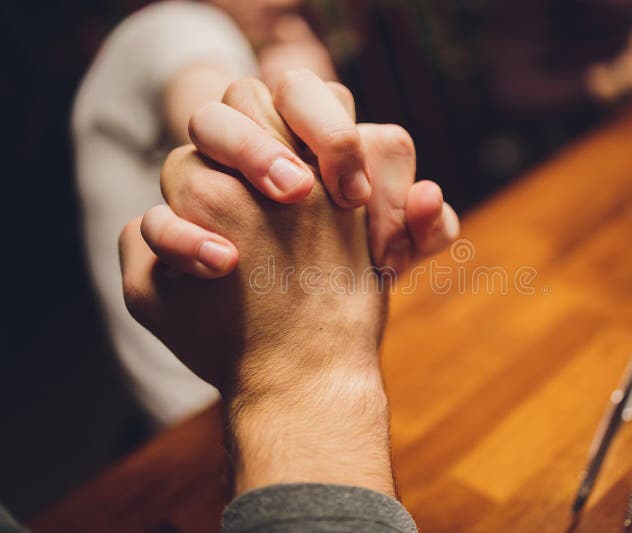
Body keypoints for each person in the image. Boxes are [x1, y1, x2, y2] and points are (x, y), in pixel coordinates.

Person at [72, 0, 456, 425]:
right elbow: (212, 109)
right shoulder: (175, 25)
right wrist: (301, 118)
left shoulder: (234, 44)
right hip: (202, 415)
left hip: (253, 394)